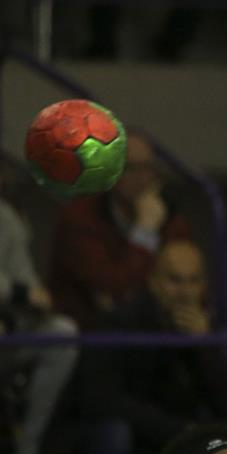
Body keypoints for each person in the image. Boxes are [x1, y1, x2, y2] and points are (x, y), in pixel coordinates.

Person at [77, 239, 227, 454]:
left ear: (204, 286)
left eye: (193, 281)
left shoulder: (206, 327)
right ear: (153, 282)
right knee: (114, 433)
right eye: (174, 280)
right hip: (138, 433)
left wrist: (205, 346)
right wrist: (177, 429)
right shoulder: (120, 323)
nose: (185, 292)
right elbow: (103, 399)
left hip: (183, 431)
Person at [49, 132, 190, 330]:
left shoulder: (171, 221)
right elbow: (117, 296)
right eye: (131, 168)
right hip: (94, 335)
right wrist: (145, 232)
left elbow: (190, 281)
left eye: (148, 168)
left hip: (159, 328)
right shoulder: (81, 219)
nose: (142, 178)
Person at [0, 197, 77, 454]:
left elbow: (26, 280)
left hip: (9, 332)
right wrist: (18, 293)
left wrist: (34, 301)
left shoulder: (5, 215)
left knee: (62, 334)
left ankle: (27, 451)